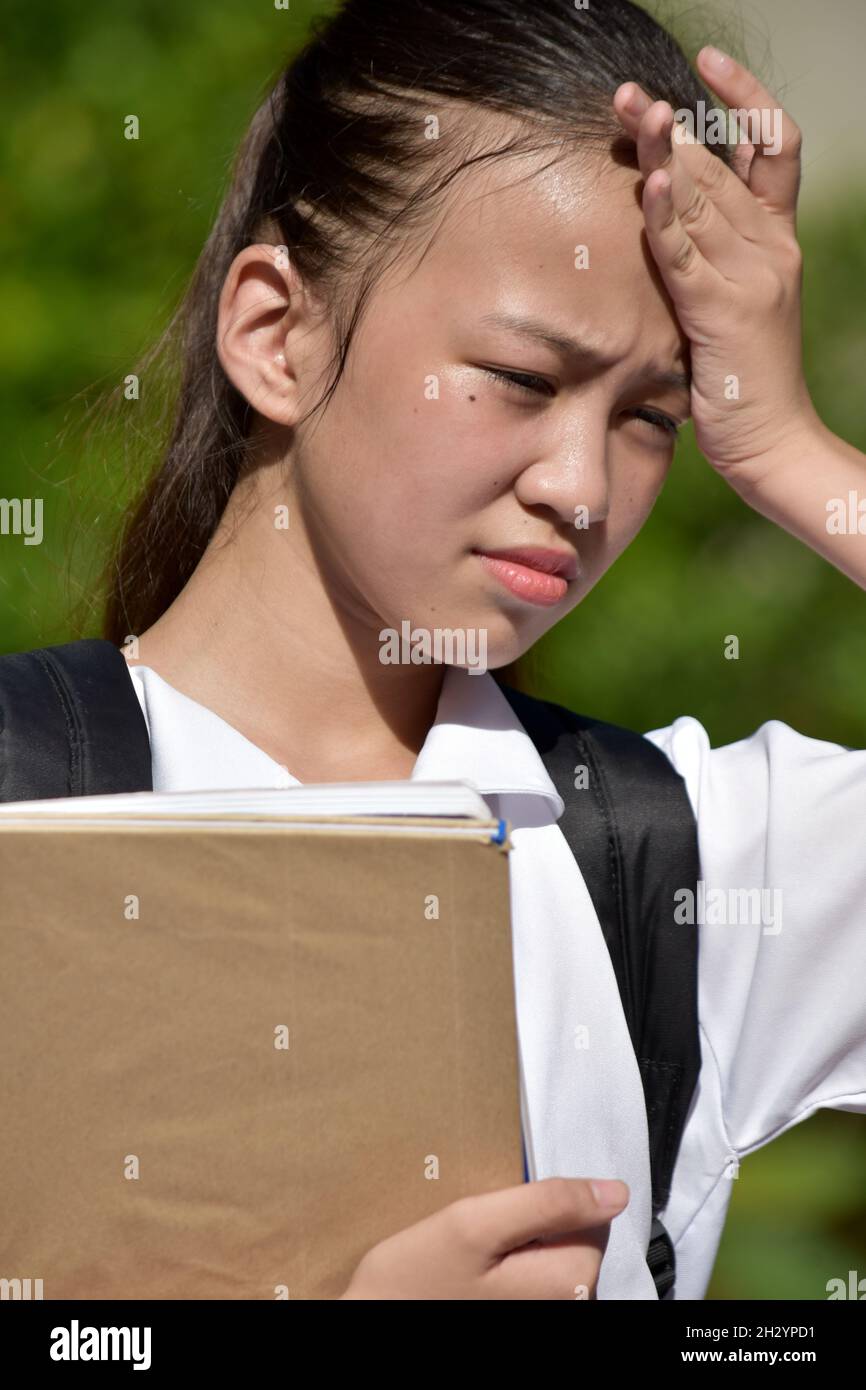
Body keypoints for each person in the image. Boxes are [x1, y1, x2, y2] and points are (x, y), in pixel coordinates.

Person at [5, 0, 866, 1298]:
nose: (580, 485)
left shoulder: (685, 864)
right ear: (274, 332)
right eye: (520, 380)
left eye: (649, 414)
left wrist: (790, 451)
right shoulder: (26, 796)